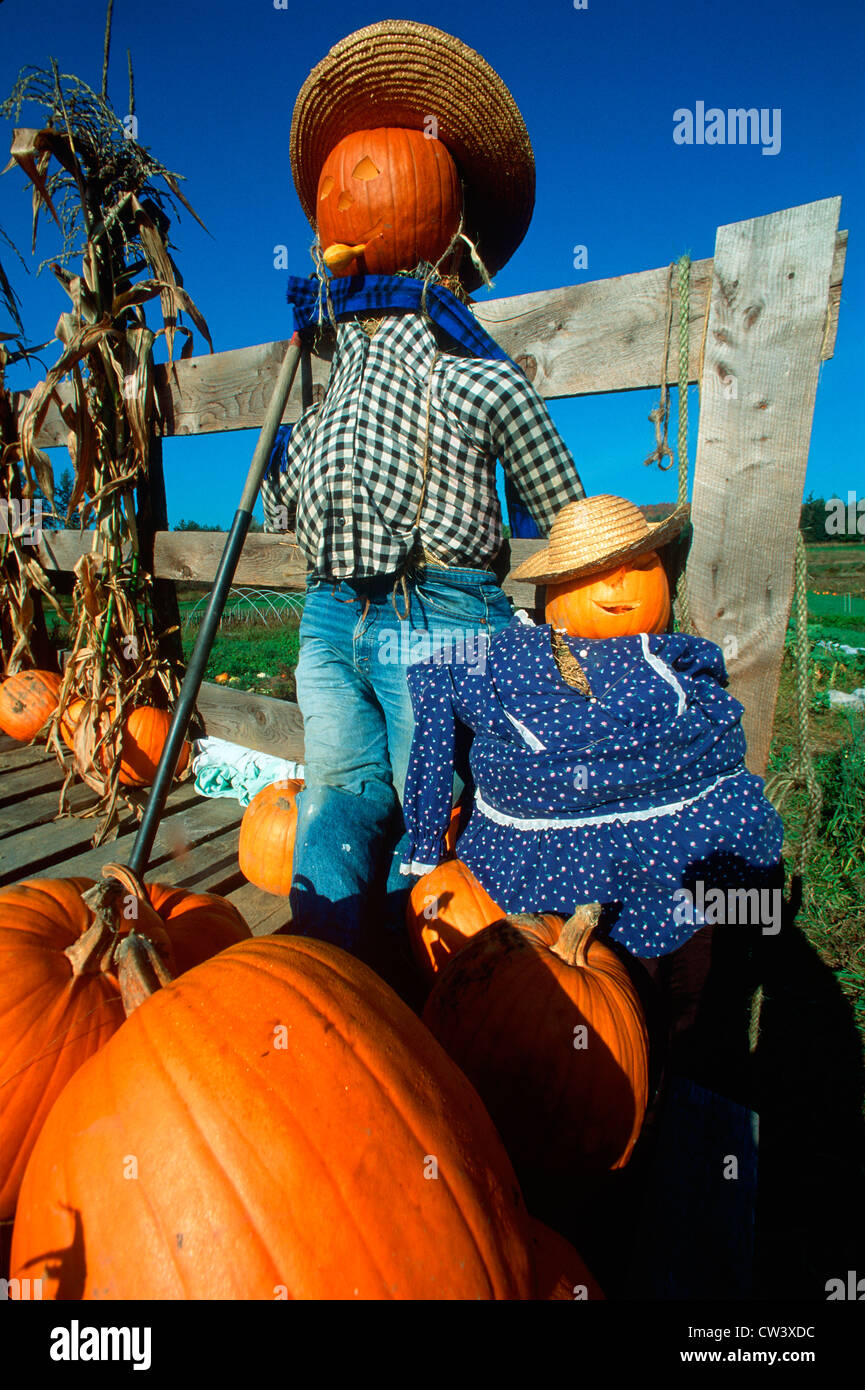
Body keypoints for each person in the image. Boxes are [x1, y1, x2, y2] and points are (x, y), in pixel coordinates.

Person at [261, 22, 586, 983]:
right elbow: (293, 502)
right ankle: (330, 981)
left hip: (436, 615)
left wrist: (575, 611)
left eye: (371, 169)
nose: (341, 190)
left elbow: (561, 515)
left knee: (435, 820)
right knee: (338, 798)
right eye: (332, 177)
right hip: (330, 615)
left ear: (433, 198)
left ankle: (440, 999)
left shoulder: (475, 378)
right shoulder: (326, 382)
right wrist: (291, 457)